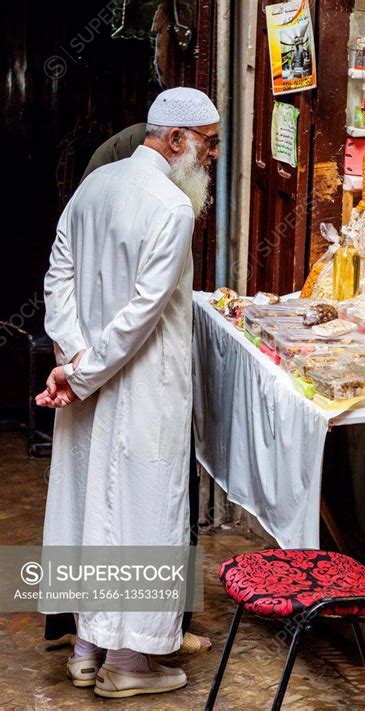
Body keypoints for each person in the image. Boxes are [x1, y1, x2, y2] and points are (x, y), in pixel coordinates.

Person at [36, 87, 220, 699]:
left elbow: (56, 274)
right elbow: (143, 313)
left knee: (93, 511)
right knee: (140, 515)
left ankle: (87, 651)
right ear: (174, 140)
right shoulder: (170, 206)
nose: (214, 156)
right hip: (141, 386)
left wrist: (70, 356)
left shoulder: (96, 185)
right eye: (209, 143)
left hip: (89, 378)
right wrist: (81, 371)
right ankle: (127, 665)